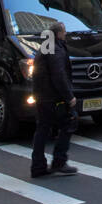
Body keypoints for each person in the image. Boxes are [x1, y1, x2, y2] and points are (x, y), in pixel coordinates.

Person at [31, 21, 77, 178]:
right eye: (64, 32)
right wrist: (69, 96)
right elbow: (59, 75)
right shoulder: (55, 49)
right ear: (58, 33)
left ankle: (38, 165)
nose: (66, 34)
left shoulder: (46, 46)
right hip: (52, 97)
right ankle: (59, 161)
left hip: (42, 96)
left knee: (42, 129)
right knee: (69, 122)